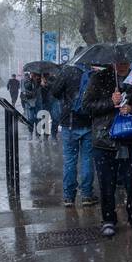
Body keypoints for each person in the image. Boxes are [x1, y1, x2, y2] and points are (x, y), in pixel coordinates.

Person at [84, 66, 132, 238]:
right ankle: (108, 219)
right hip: (104, 141)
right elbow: (86, 106)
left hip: (130, 138)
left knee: (131, 181)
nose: (122, 62)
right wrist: (110, 102)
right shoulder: (99, 78)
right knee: (107, 183)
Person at [48, 62, 97, 207]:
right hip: (88, 123)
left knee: (70, 161)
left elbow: (55, 92)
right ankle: (87, 195)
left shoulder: (68, 72)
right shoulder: (93, 74)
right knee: (87, 160)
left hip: (69, 123)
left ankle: (69, 197)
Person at [20, 72, 38, 137]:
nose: (34, 75)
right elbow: (24, 90)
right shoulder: (27, 81)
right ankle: (30, 132)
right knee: (30, 118)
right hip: (29, 102)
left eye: (35, 74)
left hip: (37, 102)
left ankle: (37, 134)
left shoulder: (39, 81)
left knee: (38, 118)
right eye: (32, 74)